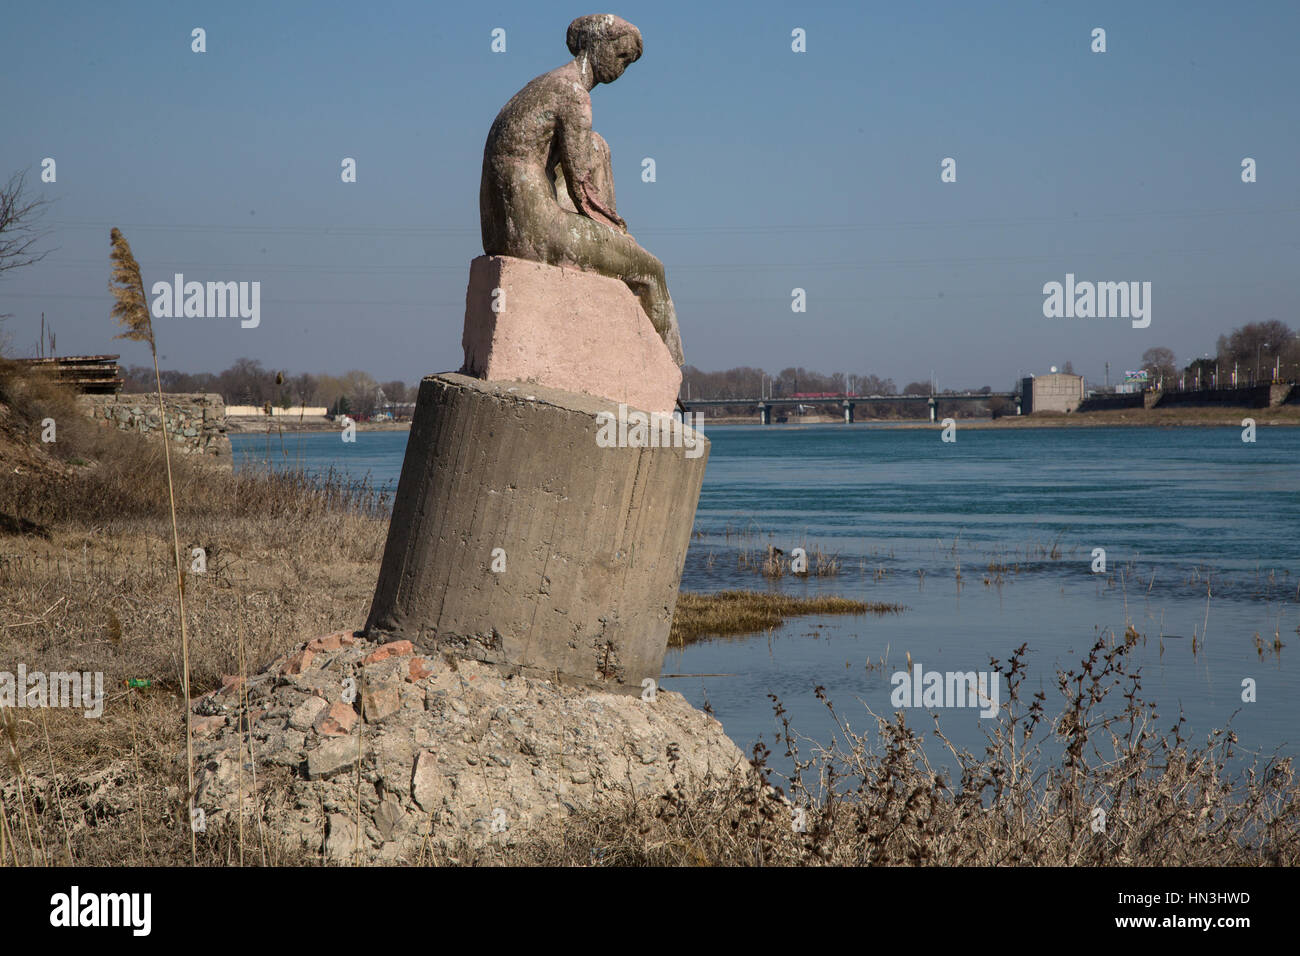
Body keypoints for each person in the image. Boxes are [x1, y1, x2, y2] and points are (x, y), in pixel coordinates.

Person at [479, 14, 684, 365]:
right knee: (651, 270)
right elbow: (582, 189)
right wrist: (620, 234)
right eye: (621, 57)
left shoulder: (542, 86)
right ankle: (669, 374)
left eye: (628, 64)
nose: (622, 69)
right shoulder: (573, 93)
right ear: (598, 45)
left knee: (597, 145)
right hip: (533, 228)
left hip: (500, 229)